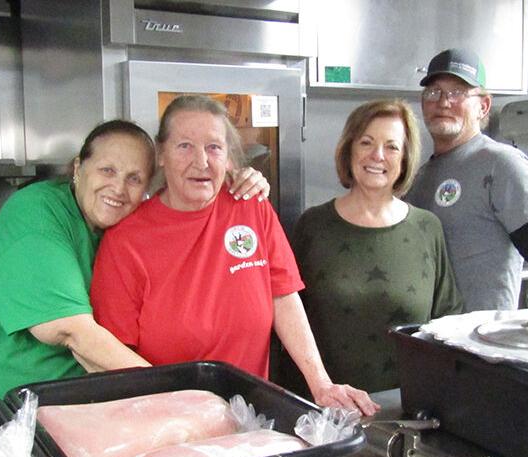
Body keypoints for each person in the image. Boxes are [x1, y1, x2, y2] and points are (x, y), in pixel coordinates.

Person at [0, 119, 269, 401]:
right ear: (78, 167)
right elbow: (74, 334)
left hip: (43, 417)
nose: (118, 188)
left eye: (134, 179)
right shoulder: (36, 218)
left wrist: (233, 181)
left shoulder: (122, 229)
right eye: (107, 171)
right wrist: (178, 397)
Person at [91, 95, 380, 415]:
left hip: (250, 419)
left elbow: (282, 297)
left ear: (228, 157)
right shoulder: (125, 242)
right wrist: (171, 416)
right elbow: (114, 358)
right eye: (184, 146)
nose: (201, 161)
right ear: (161, 154)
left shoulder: (251, 206)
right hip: (166, 423)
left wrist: (322, 385)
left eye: (214, 147)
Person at [272, 99, 463, 394]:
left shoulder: (427, 228)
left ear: (405, 158)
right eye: (366, 142)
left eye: (391, 146)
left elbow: (449, 325)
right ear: (349, 150)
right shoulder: (312, 226)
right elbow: (282, 319)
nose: (377, 155)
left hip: (405, 408)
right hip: (321, 409)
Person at [405, 48, 528, 312]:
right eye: (433, 92)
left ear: (483, 105)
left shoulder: (502, 164)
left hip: (479, 346)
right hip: (429, 343)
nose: (443, 102)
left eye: (457, 93)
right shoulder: (418, 177)